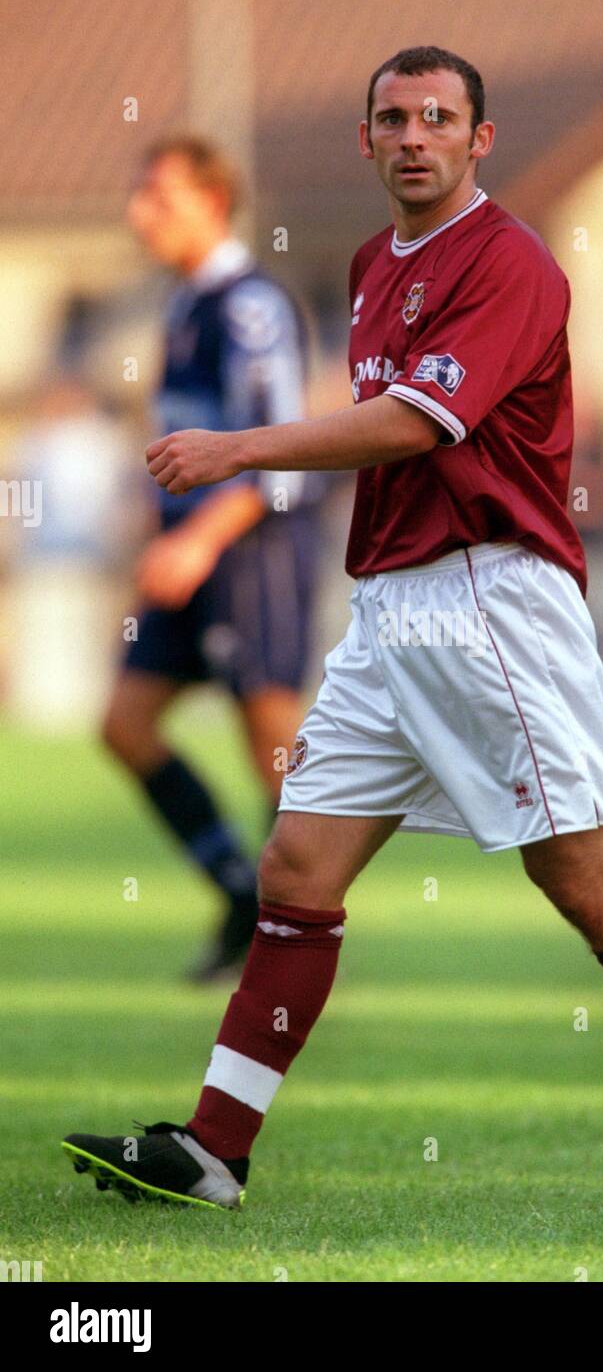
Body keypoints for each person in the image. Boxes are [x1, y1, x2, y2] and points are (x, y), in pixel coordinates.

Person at [63, 48, 603, 1210]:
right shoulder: (370, 262)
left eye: (439, 117)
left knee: (583, 879)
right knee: (295, 864)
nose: (414, 135)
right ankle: (214, 1151)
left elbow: (412, 425)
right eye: (393, 117)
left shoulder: (509, 261)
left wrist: (241, 448)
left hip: (493, 598)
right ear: (367, 139)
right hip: (390, 606)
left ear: (478, 139)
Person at [101, 136, 326, 983]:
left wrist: (197, 539)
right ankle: (241, 892)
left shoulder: (250, 307)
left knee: (269, 731)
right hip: (188, 549)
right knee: (123, 725)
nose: (139, 213)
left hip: (251, 544)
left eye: (157, 195)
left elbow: (273, 452)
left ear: (211, 201)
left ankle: (298, 930)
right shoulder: (182, 303)